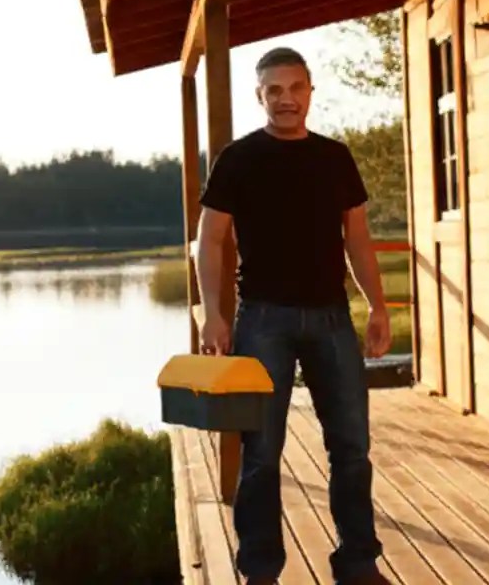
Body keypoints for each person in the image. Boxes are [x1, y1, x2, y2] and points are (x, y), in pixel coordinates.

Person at [193, 46, 391, 585]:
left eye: (294, 88)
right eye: (273, 91)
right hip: (263, 320)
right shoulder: (237, 159)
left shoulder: (335, 158)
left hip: (331, 318)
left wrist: (377, 304)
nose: (286, 99)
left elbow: (357, 238)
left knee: (351, 446)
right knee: (261, 453)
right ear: (260, 97)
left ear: (309, 91)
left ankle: (358, 562)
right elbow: (208, 240)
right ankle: (260, 571)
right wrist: (213, 314)